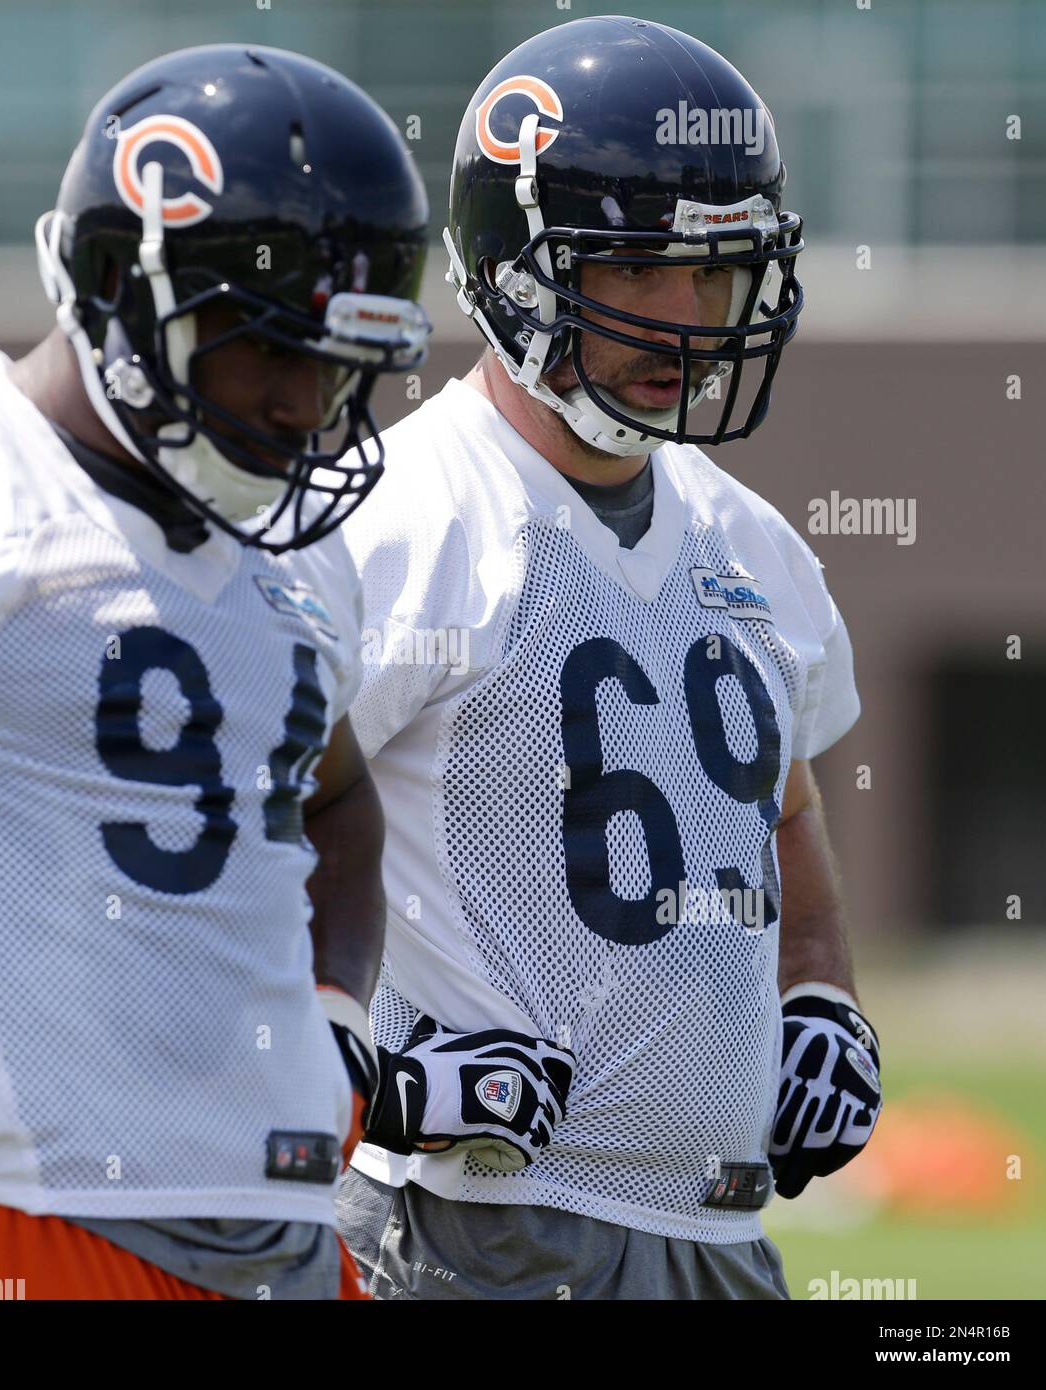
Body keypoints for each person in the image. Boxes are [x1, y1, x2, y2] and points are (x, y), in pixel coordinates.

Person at [0, 43, 430, 1300]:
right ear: (120, 290)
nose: (305, 405)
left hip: (290, 1235)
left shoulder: (285, 549)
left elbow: (335, 800)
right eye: (264, 347)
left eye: (337, 363)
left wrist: (340, 1021)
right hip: (11, 1228)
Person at [334, 16, 881, 1300]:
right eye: (639, 269)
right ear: (517, 266)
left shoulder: (751, 542)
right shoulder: (400, 519)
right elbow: (247, 845)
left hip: (723, 1235)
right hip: (467, 1223)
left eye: (719, 271)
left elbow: (783, 810)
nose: (689, 316)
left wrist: (820, 998)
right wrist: (379, 1084)